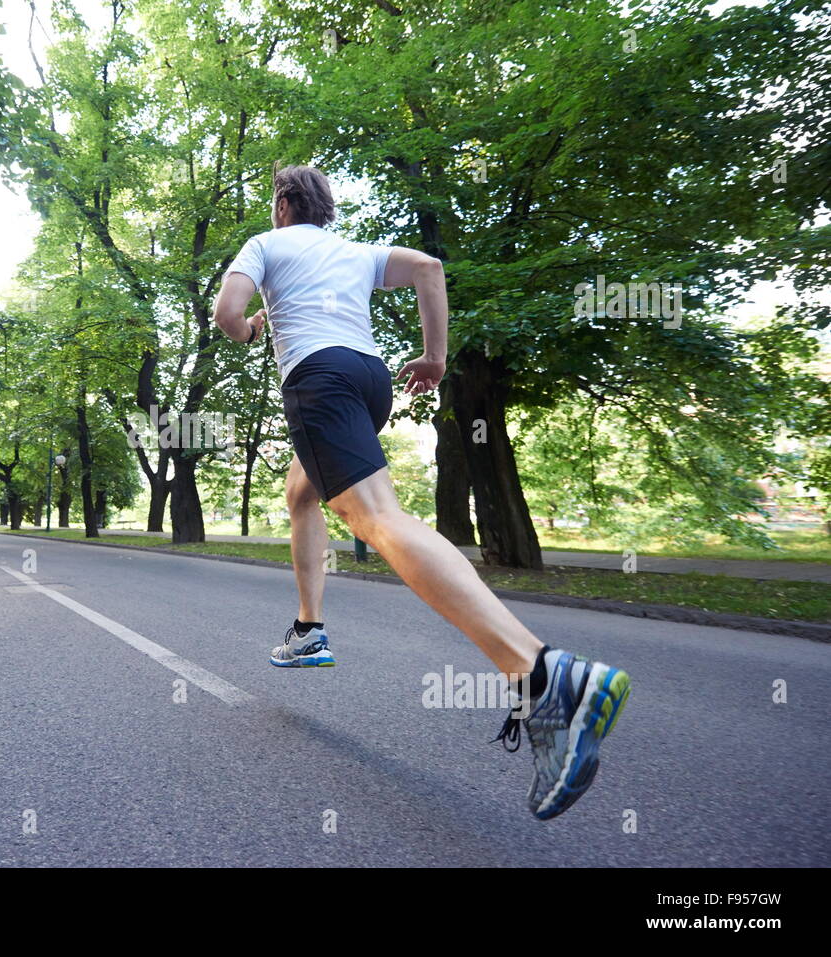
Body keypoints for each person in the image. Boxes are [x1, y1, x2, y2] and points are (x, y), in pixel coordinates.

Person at [211, 163, 630, 820]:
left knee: (377, 518)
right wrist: (435, 357)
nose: (272, 212)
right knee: (303, 489)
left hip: (317, 381)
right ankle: (309, 628)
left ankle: (544, 674)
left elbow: (226, 313)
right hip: (368, 380)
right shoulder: (352, 253)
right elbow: (429, 269)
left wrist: (250, 329)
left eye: (274, 202)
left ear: (286, 205)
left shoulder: (267, 245)